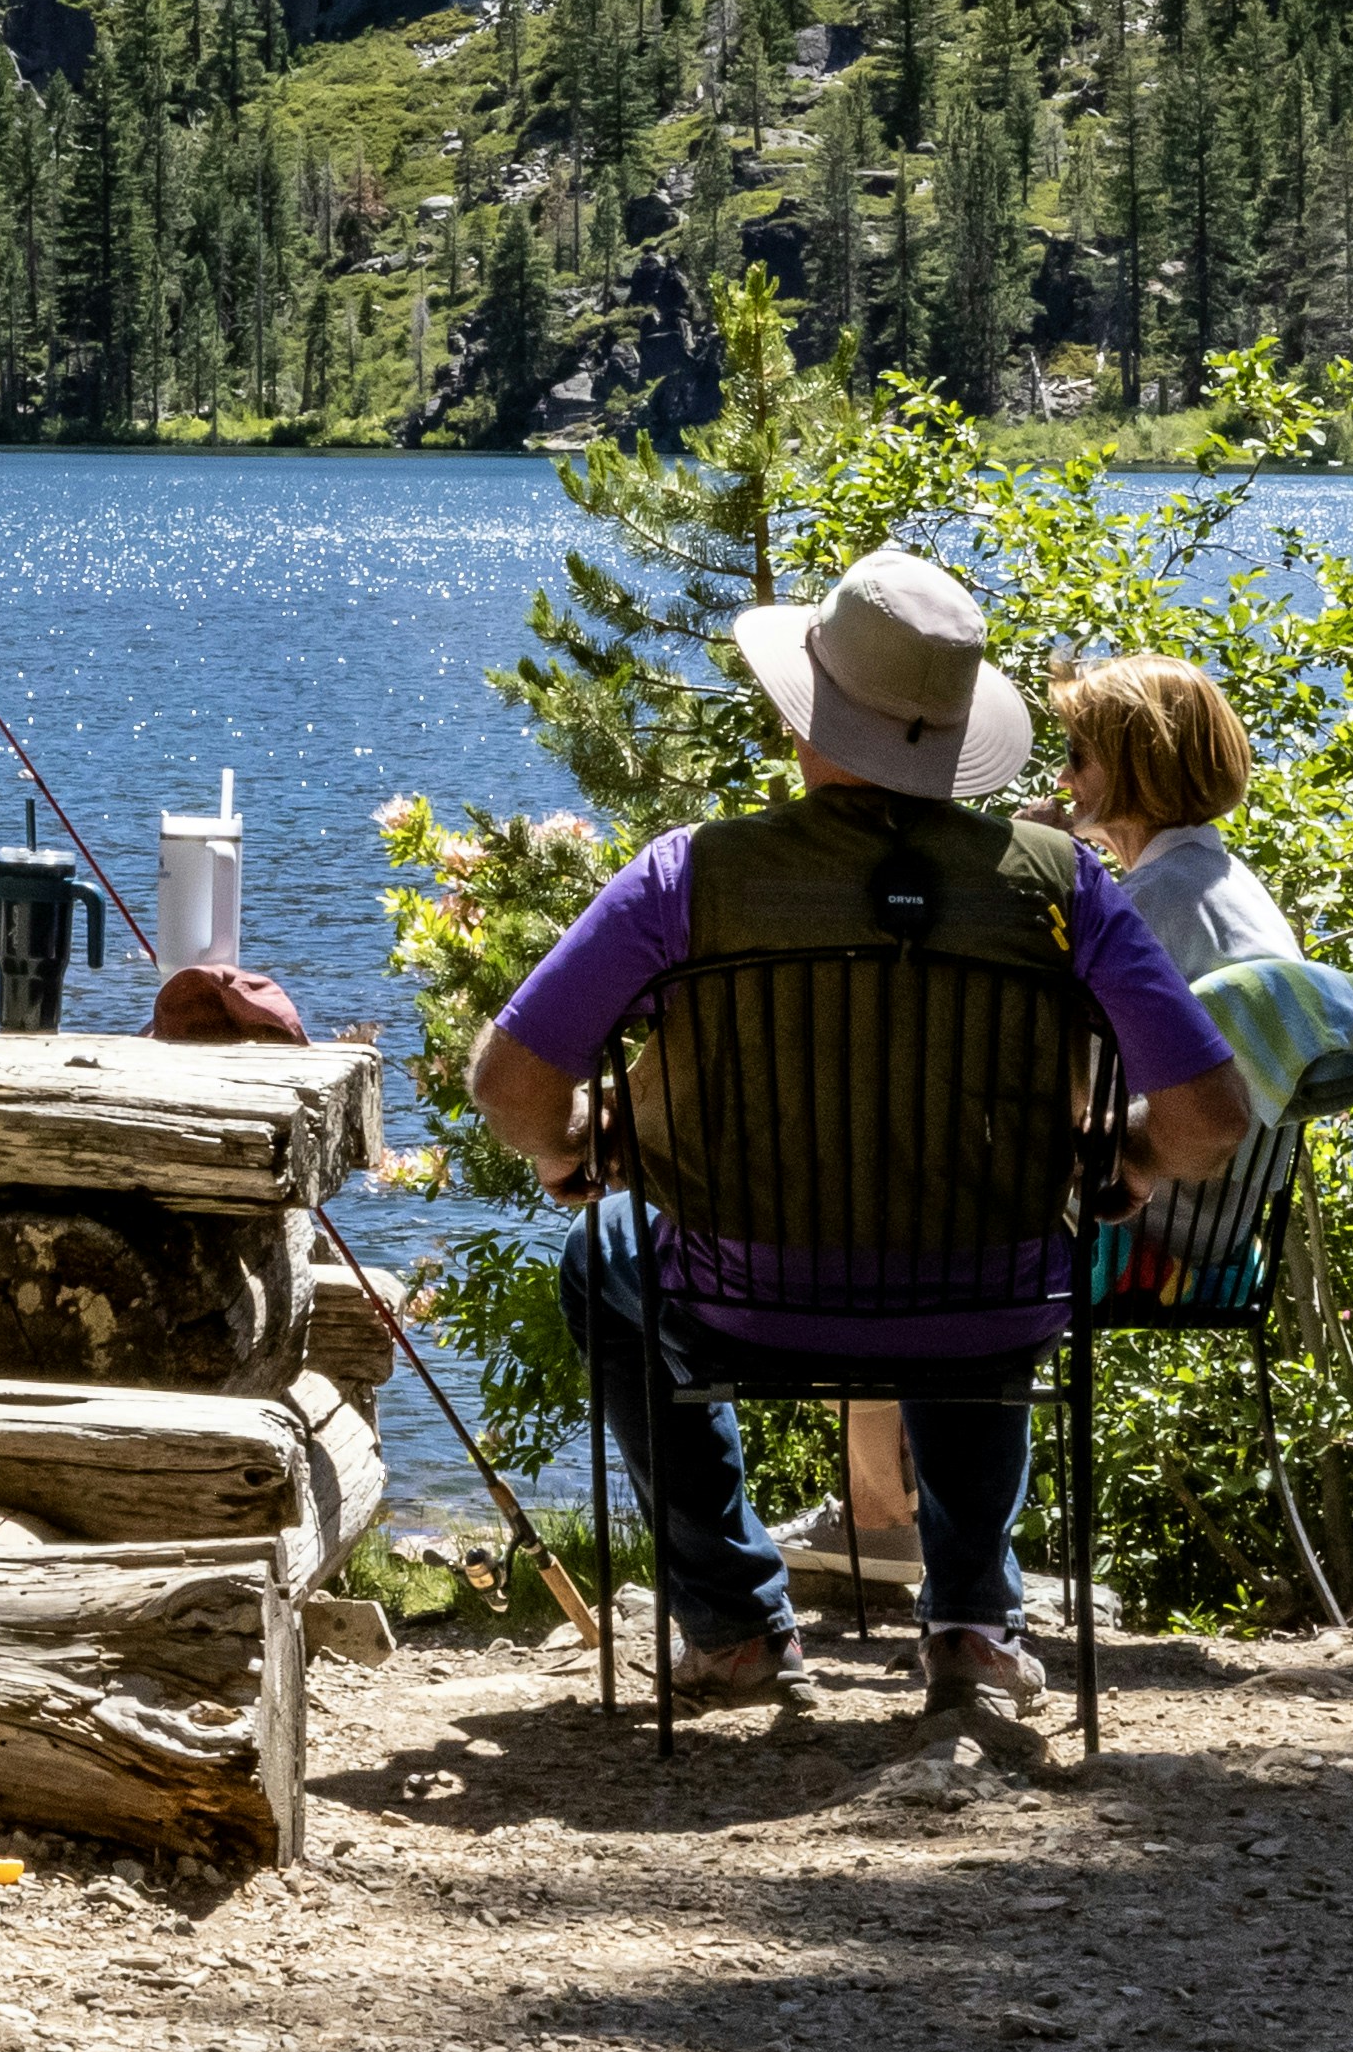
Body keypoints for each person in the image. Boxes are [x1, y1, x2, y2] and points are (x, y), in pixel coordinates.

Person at [465, 548, 1251, 1719]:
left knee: (600, 1261)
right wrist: (1125, 1163)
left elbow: (507, 1081)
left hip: (739, 1295)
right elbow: (1210, 1118)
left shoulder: (689, 875)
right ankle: (973, 1622)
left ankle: (733, 1626)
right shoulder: (1060, 886)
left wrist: (579, 1142)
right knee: (976, 1263)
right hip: (983, 1293)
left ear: (804, 712)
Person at [1043, 655, 1300, 980]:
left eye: (1075, 755)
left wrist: (1032, 861)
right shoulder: (1240, 887)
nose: (1063, 778)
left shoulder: (1138, 909)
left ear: (1136, 765)